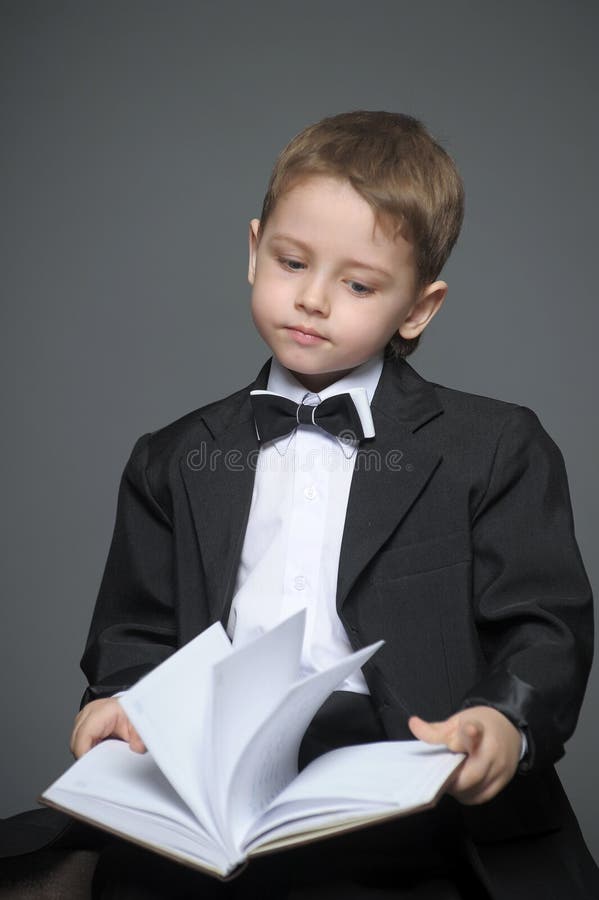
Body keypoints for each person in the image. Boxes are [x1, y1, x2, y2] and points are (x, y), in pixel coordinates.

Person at [2, 110, 598, 898]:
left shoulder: (493, 445)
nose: (312, 299)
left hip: (415, 776)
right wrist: (121, 702)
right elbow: (135, 627)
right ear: (254, 252)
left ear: (418, 308)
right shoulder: (174, 454)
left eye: (356, 283)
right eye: (291, 262)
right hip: (215, 772)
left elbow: (543, 627)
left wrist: (502, 723)